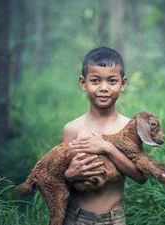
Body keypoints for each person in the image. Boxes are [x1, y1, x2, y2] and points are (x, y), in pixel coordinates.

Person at [61, 47, 147, 225]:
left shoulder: (129, 128)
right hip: (75, 217)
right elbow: (60, 180)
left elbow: (141, 177)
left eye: (112, 81)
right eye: (95, 80)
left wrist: (107, 148)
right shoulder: (72, 129)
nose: (103, 88)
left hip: (114, 219)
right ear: (83, 83)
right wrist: (69, 175)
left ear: (122, 84)